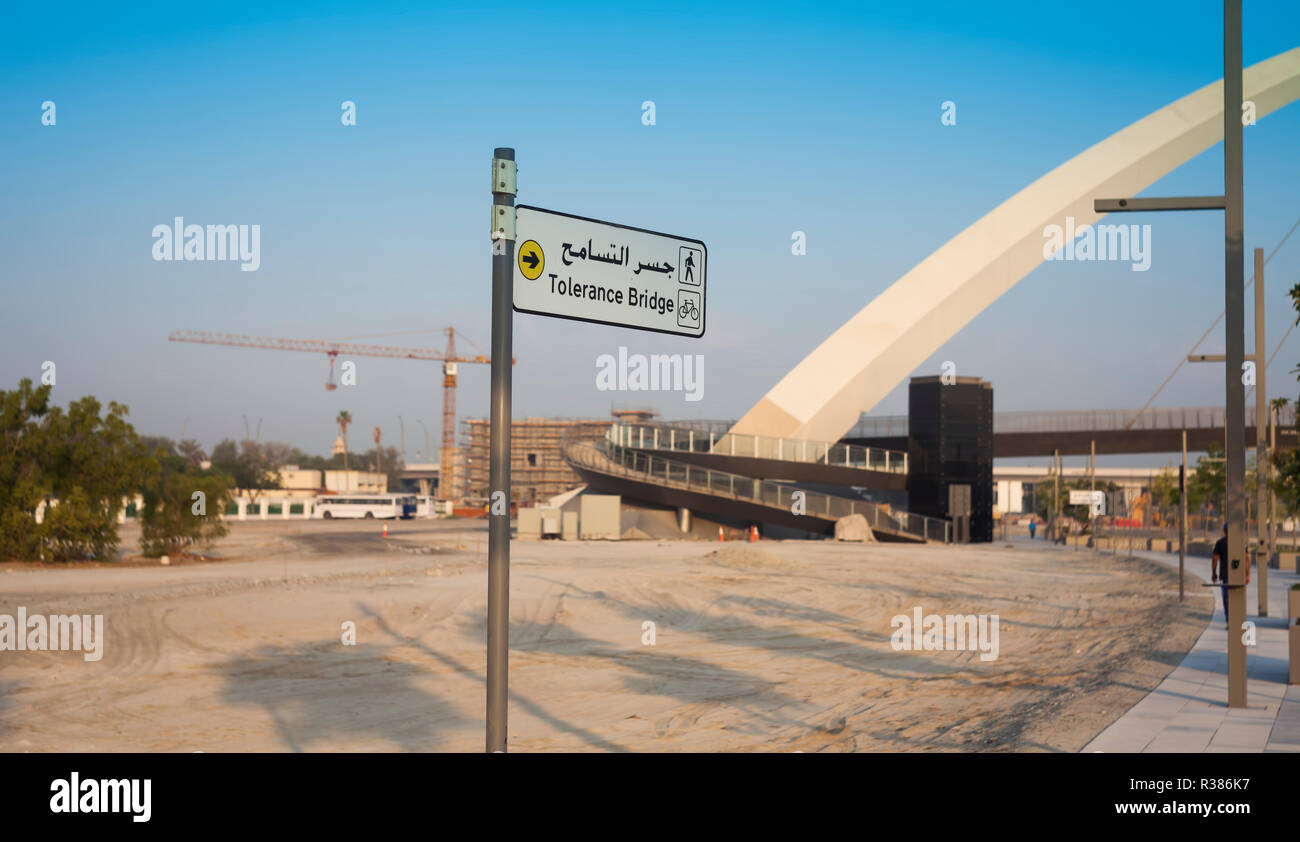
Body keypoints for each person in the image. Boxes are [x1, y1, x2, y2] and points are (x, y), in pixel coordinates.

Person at [1211, 524, 1230, 629]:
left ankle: (1229, 620)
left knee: (1226, 599)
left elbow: (1215, 559)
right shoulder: (1240, 542)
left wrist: (1214, 573)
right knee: (1237, 599)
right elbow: (1246, 558)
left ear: (1224, 530)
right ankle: (1237, 619)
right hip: (1239, 576)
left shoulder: (1220, 543)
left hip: (1225, 576)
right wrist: (1247, 574)